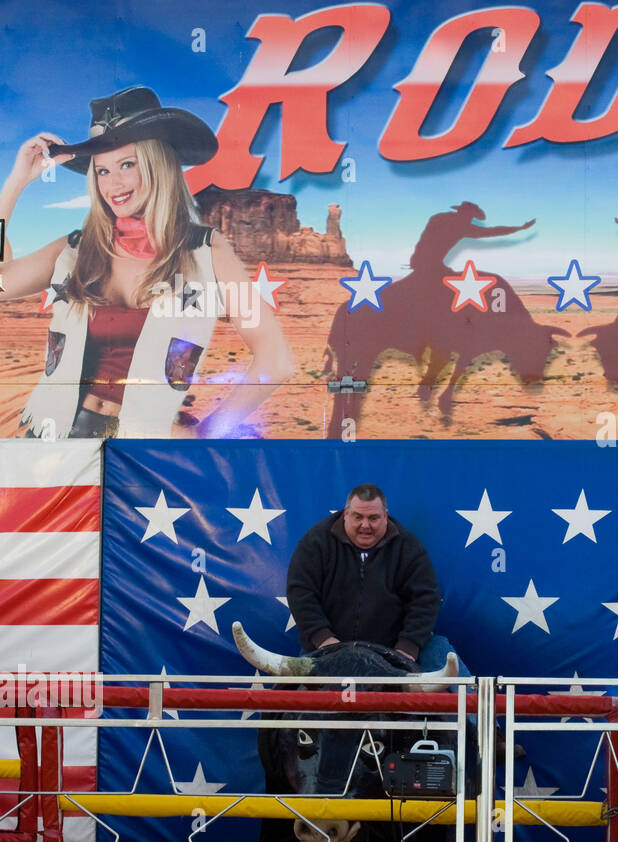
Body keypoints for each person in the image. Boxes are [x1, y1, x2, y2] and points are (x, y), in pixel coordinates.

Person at [0, 87, 294, 438]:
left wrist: (207, 433)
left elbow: (276, 360)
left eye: (127, 164)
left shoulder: (207, 252)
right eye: (103, 171)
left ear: (158, 165)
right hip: (54, 444)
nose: (114, 184)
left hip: (139, 452)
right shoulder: (76, 249)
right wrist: (16, 183)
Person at [286, 484, 443, 664]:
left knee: (440, 650)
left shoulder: (408, 548)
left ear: (385, 516)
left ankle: (475, 692)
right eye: (358, 517)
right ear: (346, 514)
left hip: (392, 654)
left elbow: (425, 599)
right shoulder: (316, 542)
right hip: (326, 649)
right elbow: (300, 592)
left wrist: (407, 647)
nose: (365, 525)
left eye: (373, 518)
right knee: (291, 690)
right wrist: (323, 640)